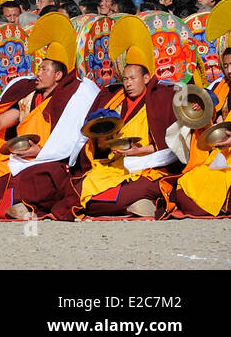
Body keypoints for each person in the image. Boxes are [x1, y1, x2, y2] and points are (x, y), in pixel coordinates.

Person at [0, 12, 98, 220]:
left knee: (45, 177)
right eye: (39, 68)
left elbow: (70, 142)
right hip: (20, 156)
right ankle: (3, 206)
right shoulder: (29, 96)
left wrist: (39, 151)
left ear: (58, 75)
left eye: (44, 70)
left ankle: (23, 205)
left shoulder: (73, 98)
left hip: (51, 159)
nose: (38, 73)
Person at [74, 15, 179, 218]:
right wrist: (104, 140)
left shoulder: (163, 98)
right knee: (81, 190)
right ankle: (133, 206)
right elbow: (98, 145)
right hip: (115, 164)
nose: (128, 84)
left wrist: (138, 151)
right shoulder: (113, 99)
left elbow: (171, 146)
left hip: (148, 165)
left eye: (133, 78)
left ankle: (131, 203)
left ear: (146, 78)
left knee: (139, 187)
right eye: (125, 79)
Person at [172, 0, 231, 216]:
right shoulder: (220, 87)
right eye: (225, 66)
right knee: (188, 183)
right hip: (221, 155)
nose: (229, 70)